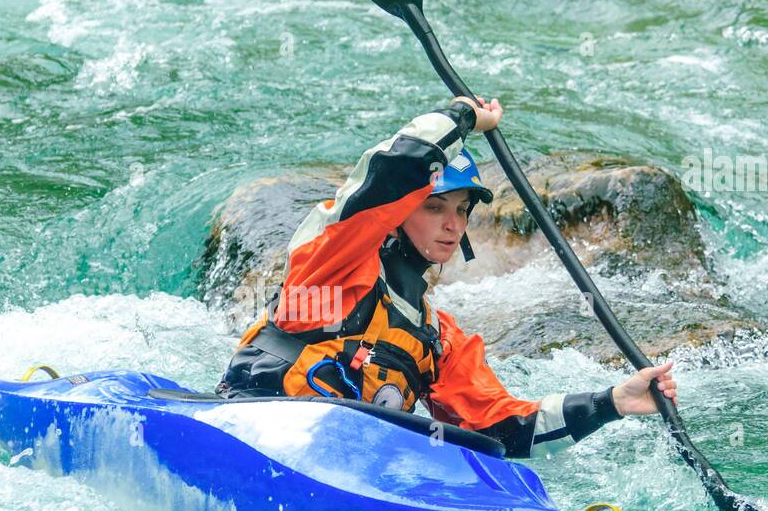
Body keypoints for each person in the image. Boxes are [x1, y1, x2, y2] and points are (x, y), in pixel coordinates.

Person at [215, 96, 677, 458]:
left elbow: (503, 427)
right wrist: (461, 117)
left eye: (461, 210)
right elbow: (392, 168)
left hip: (339, 464)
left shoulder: (436, 339)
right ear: (395, 215)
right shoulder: (331, 267)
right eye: (434, 208)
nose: (453, 224)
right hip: (251, 429)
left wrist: (613, 401)